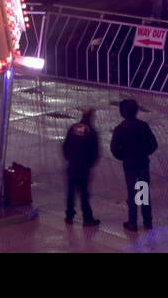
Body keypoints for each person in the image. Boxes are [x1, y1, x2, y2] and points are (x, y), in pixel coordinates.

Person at [111, 99, 158, 231]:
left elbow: (114, 149)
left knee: (132, 193)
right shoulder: (143, 126)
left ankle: (132, 222)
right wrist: (145, 153)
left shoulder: (120, 129)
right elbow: (153, 144)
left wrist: (124, 156)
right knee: (143, 193)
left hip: (129, 165)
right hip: (142, 164)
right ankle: (147, 221)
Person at [62, 108, 100, 227]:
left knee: (71, 191)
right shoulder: (91, 132)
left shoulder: (73, 128)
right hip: (83, 167)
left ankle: (69, 216)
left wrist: (70, 158)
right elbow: (95, 151)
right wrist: (89, 164)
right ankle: (87, 218)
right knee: (84, 193)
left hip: (72, 165)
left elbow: (65, 146)